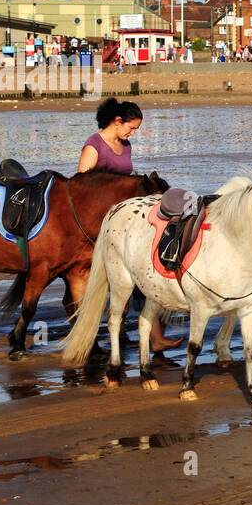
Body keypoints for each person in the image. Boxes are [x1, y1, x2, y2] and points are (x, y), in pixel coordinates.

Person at [77, 97, 180, 352]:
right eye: (131, 128)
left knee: (144, 271)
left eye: (135, 130)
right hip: (102, 220)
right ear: (117, 121)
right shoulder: (94, 145)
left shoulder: (127, 145)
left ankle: (154, 337)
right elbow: (80, 187)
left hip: (128, 218)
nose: (132, 133)